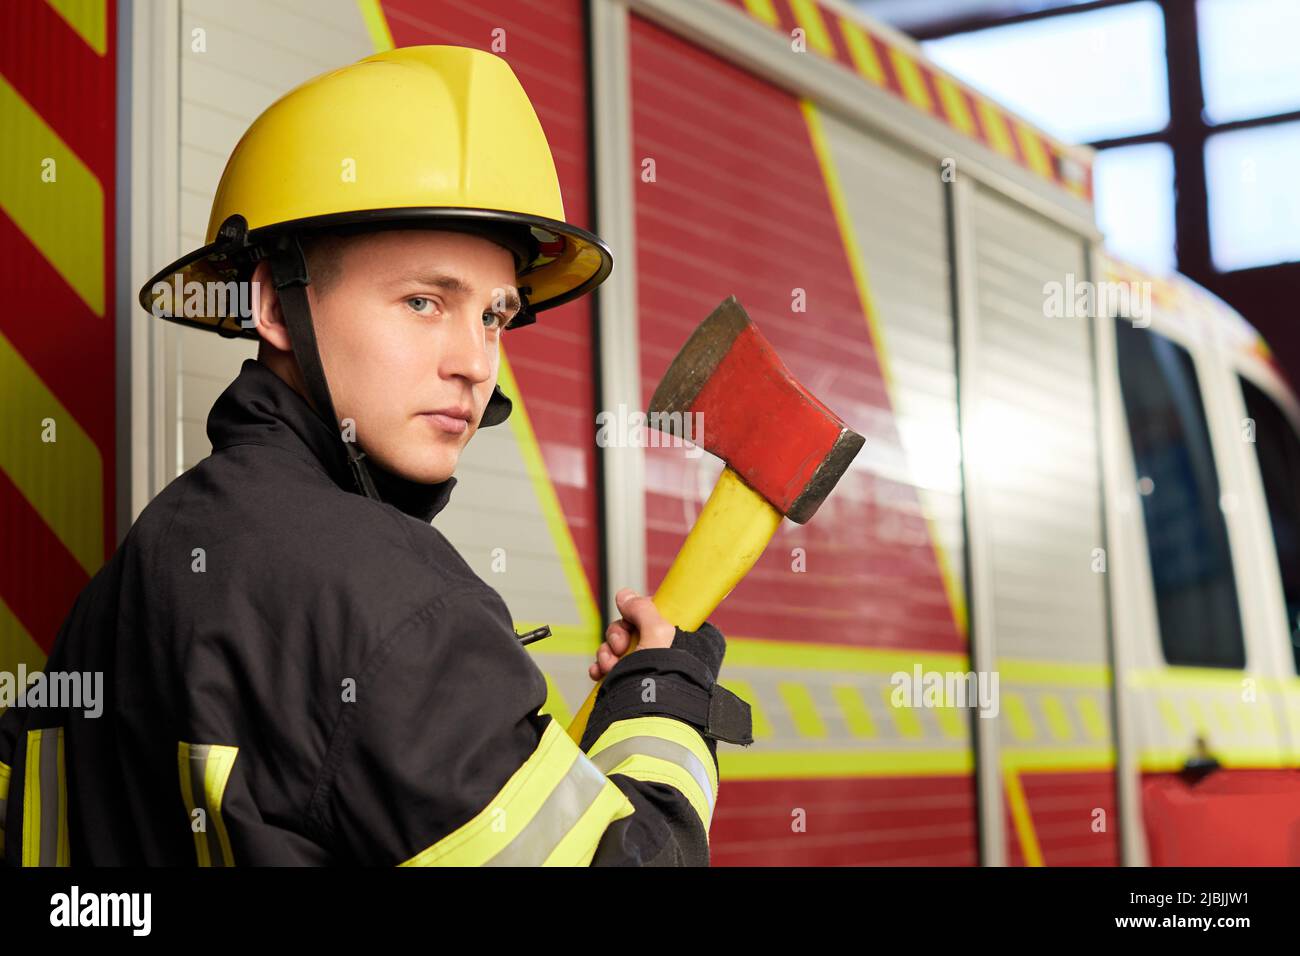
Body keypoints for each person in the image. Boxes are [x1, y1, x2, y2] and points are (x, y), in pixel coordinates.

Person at [0, 45, 750, 867]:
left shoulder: (141, 568)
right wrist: (662, 700)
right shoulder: (392, 607)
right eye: (425, 301)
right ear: (275, 309)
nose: (475, 362)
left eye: (495, 316)